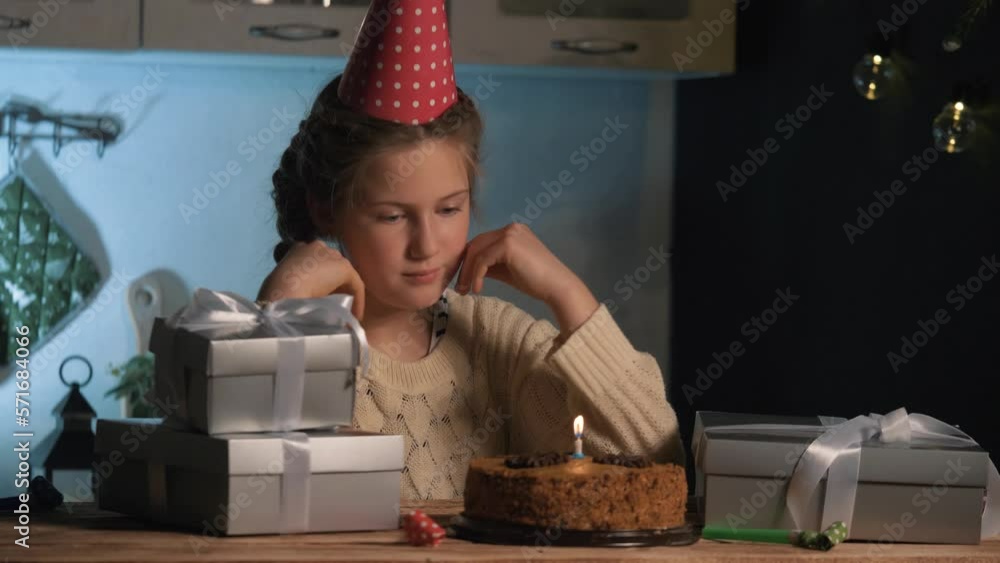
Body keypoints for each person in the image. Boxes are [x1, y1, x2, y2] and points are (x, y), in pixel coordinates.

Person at [257, 0, 682, 500]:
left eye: (449, 210)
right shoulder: (298, 350)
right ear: (327, 211)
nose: (427, 246)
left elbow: (653, 459)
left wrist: (569, 295)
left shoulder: (496, 344)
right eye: (393, 216)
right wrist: (275, 315)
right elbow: (248, 486)